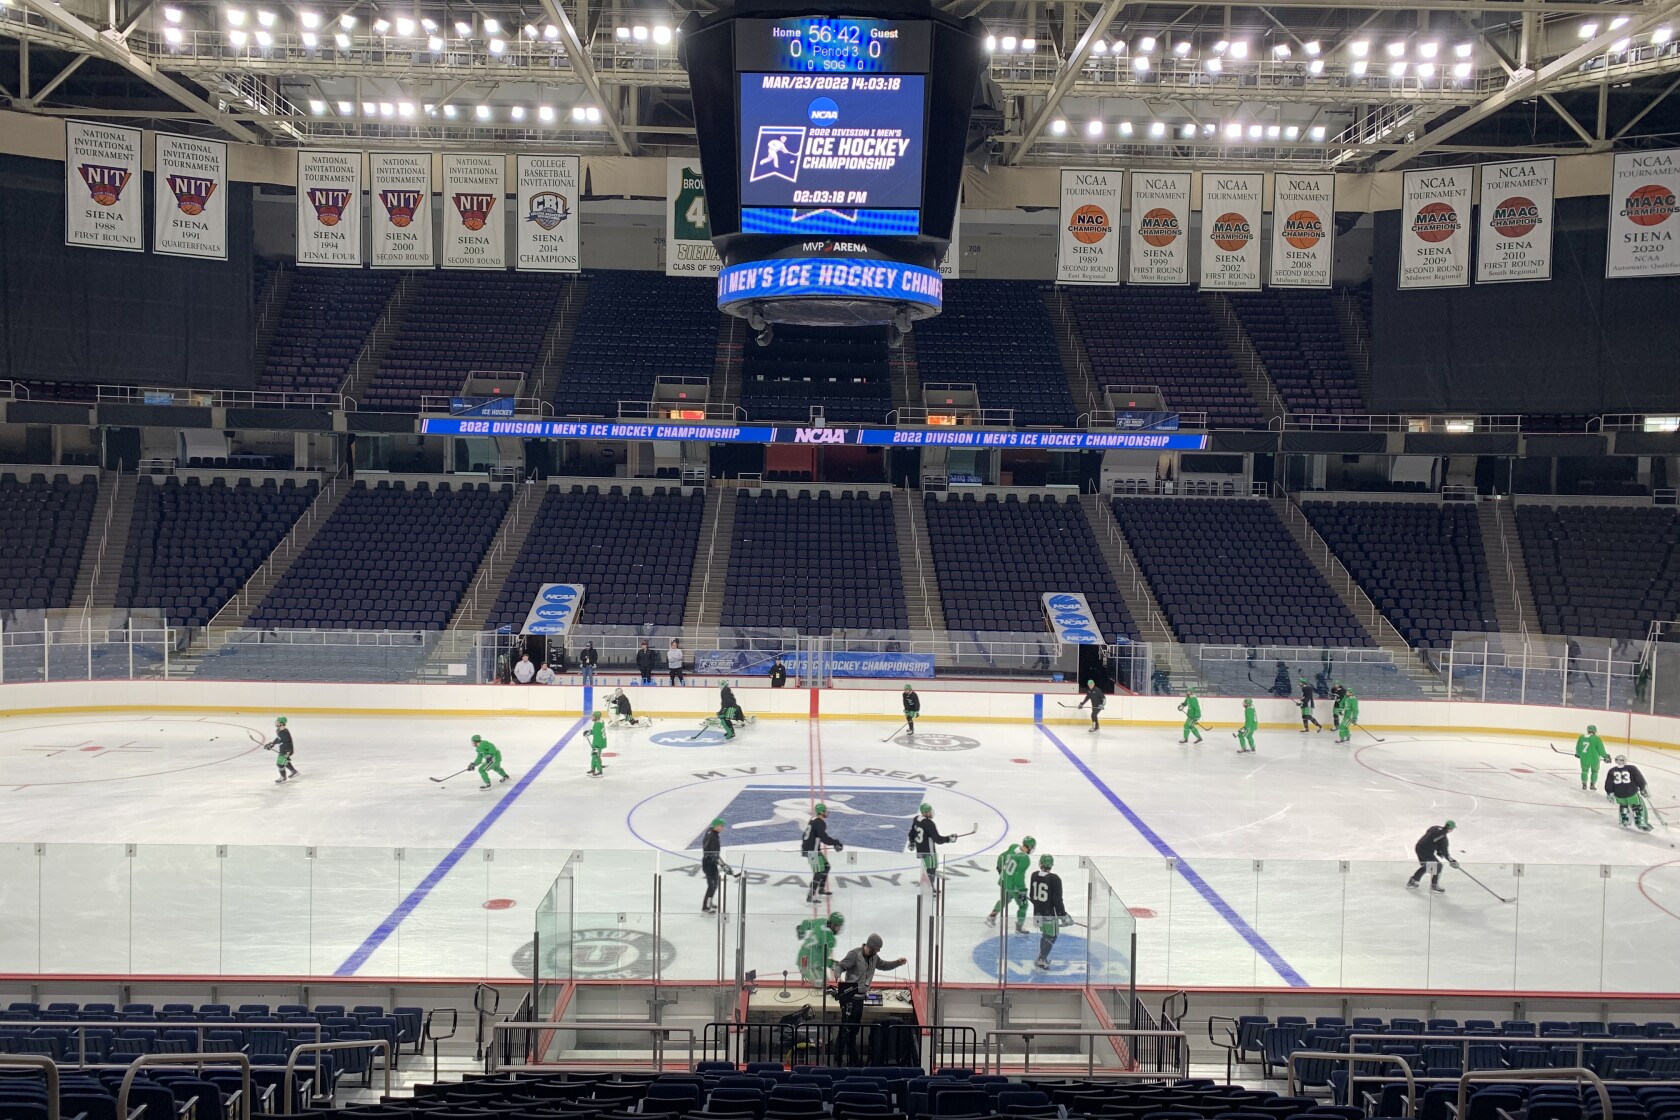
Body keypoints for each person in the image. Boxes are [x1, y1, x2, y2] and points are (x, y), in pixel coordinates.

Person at [832, 932, 907, 1065]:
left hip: (860, 999)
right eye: (878, 948)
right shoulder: (854, 955)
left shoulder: (874, 958)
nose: (878, 951)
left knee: (853, 1030)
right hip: (850, 998)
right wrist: (838, 978)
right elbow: (839, 967)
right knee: (846, 1030)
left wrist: (897, 963)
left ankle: (850, 1058)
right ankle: (844, 1059)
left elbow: (884, 966)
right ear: (872, 946)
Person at [1029, 854, 1071, 971]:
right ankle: (1042, 959)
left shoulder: (1034, 875)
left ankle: (1042, 956)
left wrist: (1039, 906)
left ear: (1040, 863)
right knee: (1052, 936)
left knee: (1045, 934)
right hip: (1049, 915)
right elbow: (1057, 899)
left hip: (1037, 913)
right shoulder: (1055, 879)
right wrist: (1063, 915)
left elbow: (1032, 896)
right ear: (1051, 865)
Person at [986, 836, 1036, 932]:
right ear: (1030, 847)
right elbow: (1018, 876)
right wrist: (1022, 890)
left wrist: (1000, 868)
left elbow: (1001, 856)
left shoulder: (1013, 847)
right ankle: (1019, 928)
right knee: (1023, 905)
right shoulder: (1025, 859)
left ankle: (992, 915)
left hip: (1004, 880)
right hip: (1013, 886)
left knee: (1005, 899)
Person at [802, 803, 843, 903]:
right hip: (812, 851)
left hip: (812, 849)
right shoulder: (820, 822)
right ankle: (810, 896)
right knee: (818, 872)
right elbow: (824, 838)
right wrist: (835, 842)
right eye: (824, 811)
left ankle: (821, 889)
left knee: (826, 867)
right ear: (821, 812)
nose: (826, 812)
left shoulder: (813, 820)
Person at [907, 803, 955, 883]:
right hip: (929, 852)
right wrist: (948, 839)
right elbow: (937, 839)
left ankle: (927, 887)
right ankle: (930, 888)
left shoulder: (916, 819)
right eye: (929, 811)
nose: (931, 813)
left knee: (925, 868)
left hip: (920, 850)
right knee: (931, 869)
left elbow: (912, 832)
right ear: (924, 812)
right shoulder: (929, 823)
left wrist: (912, 842)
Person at [1605, 755, 1654, 832]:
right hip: (1631, 793)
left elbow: (1609, 784)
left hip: (1619, 795)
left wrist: (1609, 793)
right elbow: (1639, 779)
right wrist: (1643, 788)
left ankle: (1624, 821)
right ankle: (1641, 823)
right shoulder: (1632, 768)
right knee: (1638, 806)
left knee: (1623, 806)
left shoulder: (1611, 771)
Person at [1405, 820, 1458, 892]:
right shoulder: (1444, 839)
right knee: (1438, 866)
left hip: (1419, 847)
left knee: (1427, 866)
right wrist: (1452, 861)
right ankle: (1434, 886)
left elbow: (1431, 838)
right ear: (1451, 829)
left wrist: (1438, 850)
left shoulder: (1435, 828)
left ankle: (1413, 880)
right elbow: (1445, 853)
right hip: (1426, 851)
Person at [795, 911, 844, 986]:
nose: (839, 929)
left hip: (804, 955)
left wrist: (801, 930)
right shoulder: (830, 939)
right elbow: (822, 960)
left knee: (825, 982)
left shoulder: (821, 921)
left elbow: (806, 923)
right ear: (833, 925)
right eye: (838, 926)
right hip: (810, 962)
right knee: (821, 985)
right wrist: (833, 964)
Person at [701, 818, 731, 912]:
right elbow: (715, 855)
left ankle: (708, 903)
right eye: (721, 826)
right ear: (716, 826)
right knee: (712, 885)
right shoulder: (713, 837)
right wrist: (724, 866)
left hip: (708, 862)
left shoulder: (710, 831)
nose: (723, 828)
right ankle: (706, 907)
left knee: (713, 885)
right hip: (710, 864)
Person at [264, 716, 299, 783]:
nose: (276, 722)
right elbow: (279, 739)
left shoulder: (284, 732)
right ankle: (294, 771)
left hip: (286, 750)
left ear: (282, 723)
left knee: (280, 764)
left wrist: (287, 753)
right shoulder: (279, 730)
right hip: (283, 749)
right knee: (284, 762)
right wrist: (272, 744)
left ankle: (283, 777)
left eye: (278, 722)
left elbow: (287, 742)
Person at [1575, 724, 1610, 791]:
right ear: (1595, 731)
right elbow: (1600, 749)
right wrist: (1605, 756)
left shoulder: (1581, 737)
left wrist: (1578, 754)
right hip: (1594, 758)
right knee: (1595, 771)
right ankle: (1592, 785)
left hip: (1584, 758)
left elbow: (1578, 747)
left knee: (1584, 771)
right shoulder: (1596, 738)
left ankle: (1584, 785)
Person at [584, 712, 606, 777]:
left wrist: (588, 733)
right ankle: (593, 769)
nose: (592, 717)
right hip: (601, 741)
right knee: (595, 756)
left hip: (598, 742)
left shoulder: (597, 725)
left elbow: (595, 732)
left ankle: (599, 771)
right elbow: (596, 731)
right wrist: (589, 732)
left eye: (593, 716)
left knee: (595, 755)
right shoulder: (601, 722)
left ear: (596, 717)